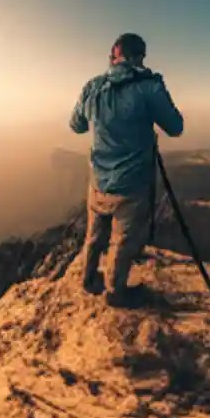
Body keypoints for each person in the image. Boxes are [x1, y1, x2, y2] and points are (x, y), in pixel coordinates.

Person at [69, 33, 183, 306]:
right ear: (138, 58)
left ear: (113, 54)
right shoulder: (148, 87)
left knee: (95, 235)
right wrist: (156, 89)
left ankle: (88, 279)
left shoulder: (92, 87)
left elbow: (77, 125)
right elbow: (175, 127)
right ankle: (115, 292)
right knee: (124, 240)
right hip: (132, 183)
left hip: (98, 180)